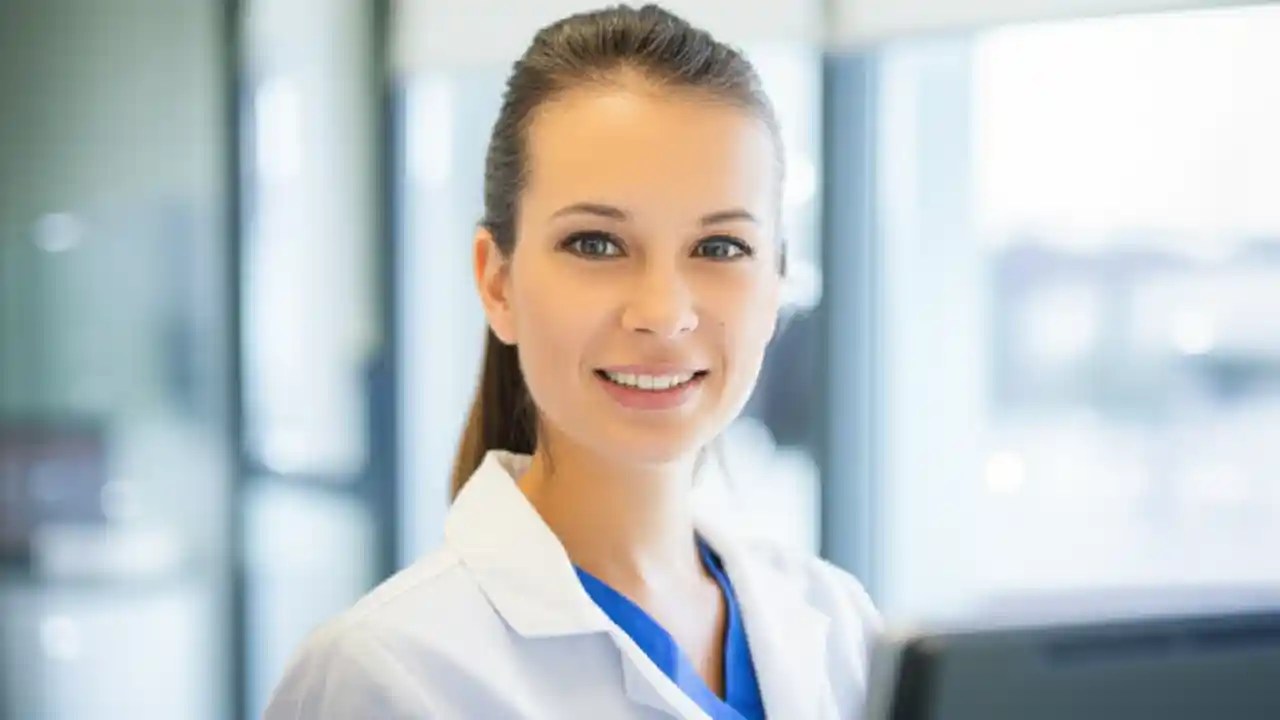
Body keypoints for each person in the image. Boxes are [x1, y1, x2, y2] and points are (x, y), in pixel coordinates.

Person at [264, 5, 879, 718]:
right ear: (497, 283)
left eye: (718, 248)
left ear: (774, 288)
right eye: (596, 244)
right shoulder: (385, 675)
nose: (662, 312)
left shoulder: (840, 627)